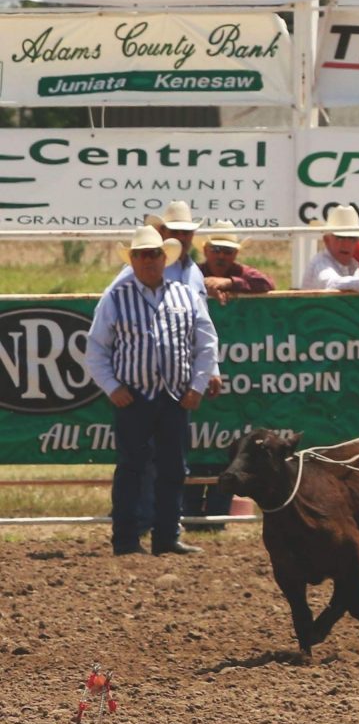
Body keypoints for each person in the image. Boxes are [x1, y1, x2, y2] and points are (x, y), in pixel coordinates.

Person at [85, 225, 219, 556]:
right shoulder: (115, 296)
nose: (149, 260)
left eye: (155, 254)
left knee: (174, 468)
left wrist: (197, 385)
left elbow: (206, 342)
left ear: (164, 258)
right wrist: (112, 387)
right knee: (131, 467)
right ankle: (126, 540)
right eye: (143, 254)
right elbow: (95, 349)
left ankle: (166, 536)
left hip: (175, 396)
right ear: (132, 259)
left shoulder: (185, 294)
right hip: (133, 396)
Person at [183, 220, 277, 531]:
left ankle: (218, 518)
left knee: (226, 448)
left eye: (228, 251)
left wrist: (230, 284)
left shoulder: (240, 273)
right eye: (217, 250)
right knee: (195, 445)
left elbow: (267, 283)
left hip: (232, 380)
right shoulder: (191, 274)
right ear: (206, 250)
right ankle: (190, 516)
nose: (222, 255)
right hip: (198, 372)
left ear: (235, 254)